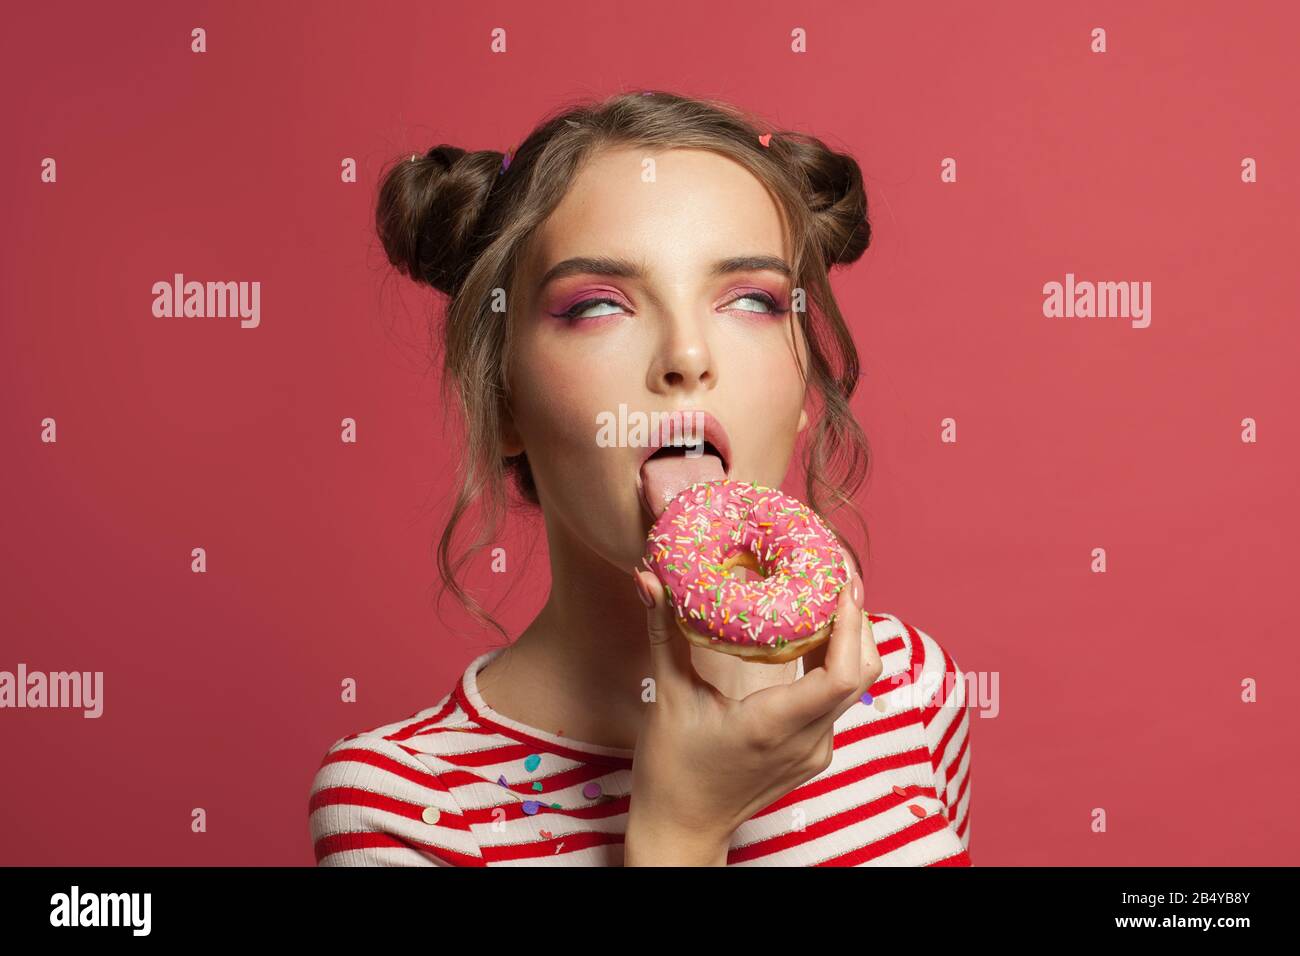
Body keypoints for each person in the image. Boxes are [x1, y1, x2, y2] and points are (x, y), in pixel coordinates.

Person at [308, 90, 971, 866]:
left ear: (805, 394)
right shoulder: (407, 808)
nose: (688, 356)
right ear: (505, 402)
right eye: (597, 306)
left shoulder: (905, 689)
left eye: (752, 299)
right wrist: (680, 830)